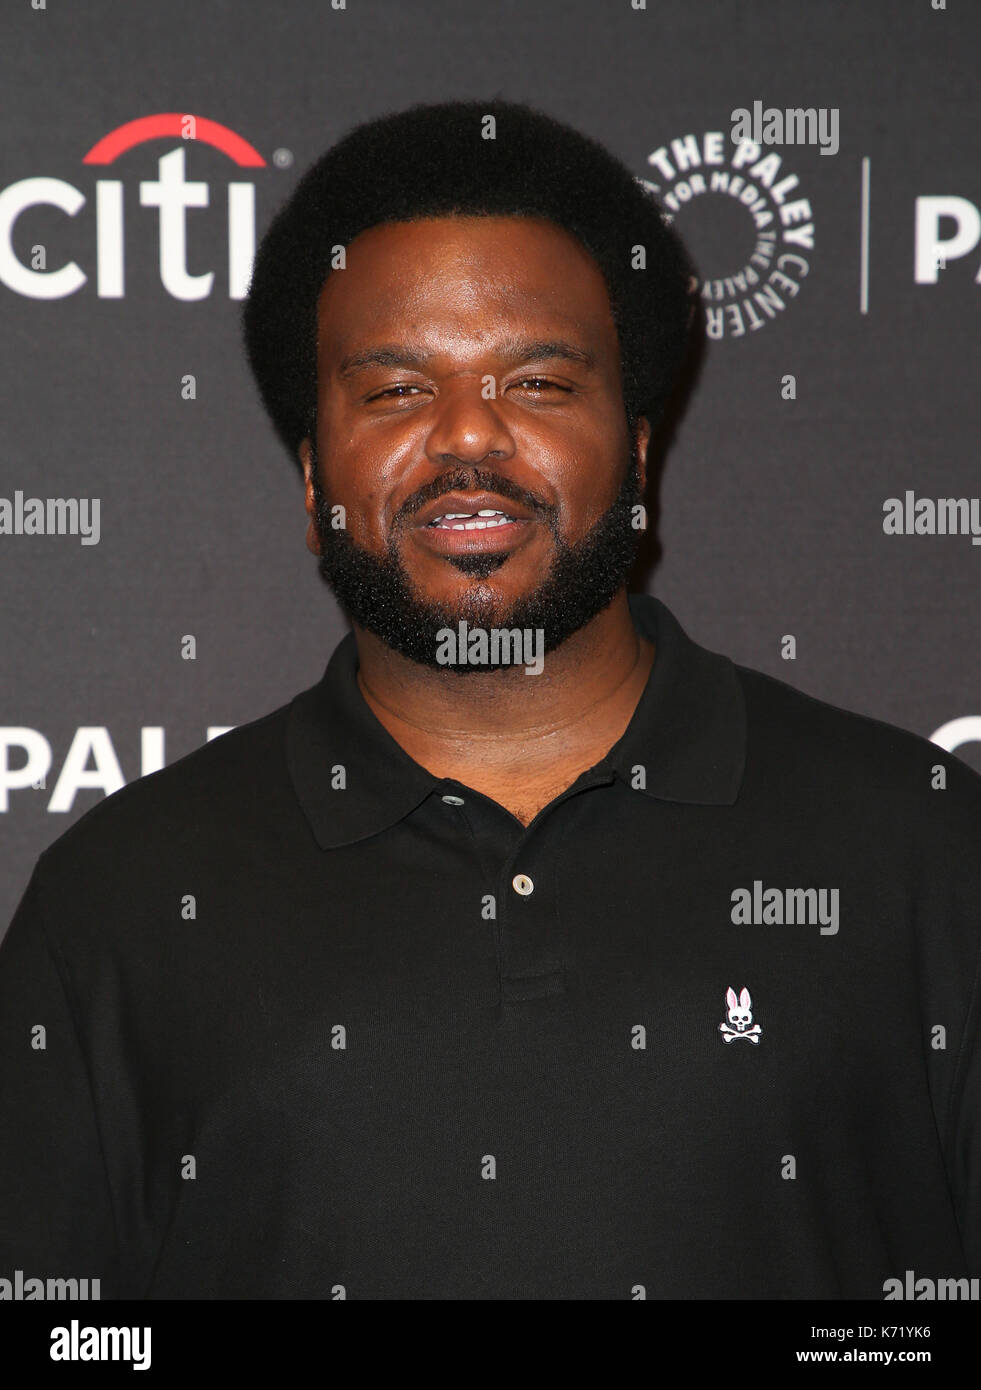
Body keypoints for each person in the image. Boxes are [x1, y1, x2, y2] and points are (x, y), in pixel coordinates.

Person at [1, 98, 979, 1301]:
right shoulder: (126, 898)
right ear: (315, 477)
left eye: (540, 382)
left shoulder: (922, 845)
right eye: (397, 390)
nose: (470, 435)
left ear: (637, 455)